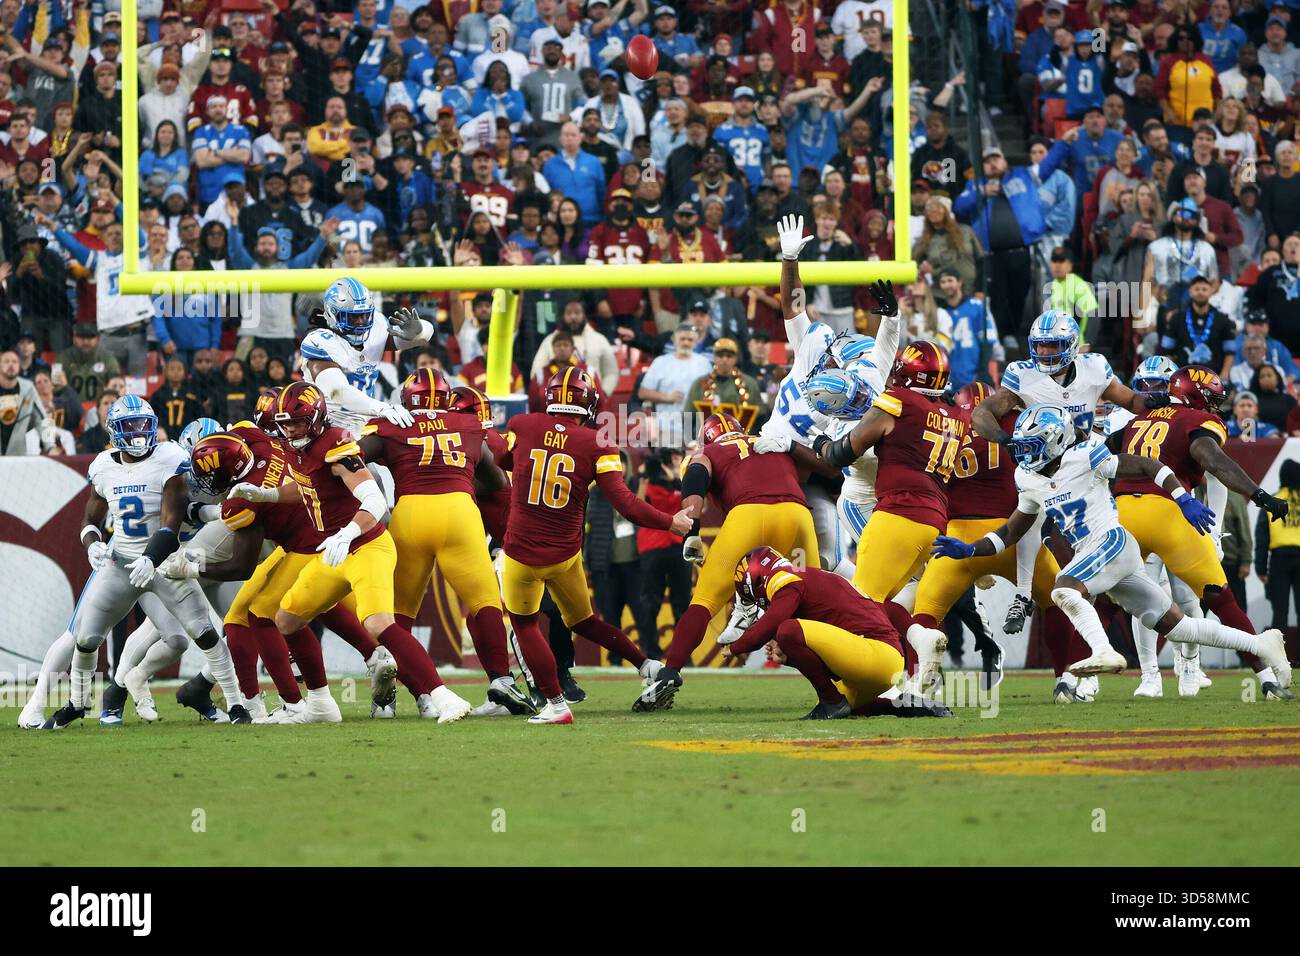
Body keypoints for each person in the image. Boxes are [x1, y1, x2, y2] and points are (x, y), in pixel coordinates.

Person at [932, 402, 1291, 692]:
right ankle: (1262, 645)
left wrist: (1182, 498)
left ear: (1055, 440)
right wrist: (970, 549)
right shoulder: (1027, 476)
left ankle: (1104, 651)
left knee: (1064, 588)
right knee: (1178, 627)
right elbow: (1011, 531)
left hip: (1111, 542)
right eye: (1022, 448)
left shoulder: (1085, 456)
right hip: (1100, 554)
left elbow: (1151, 465)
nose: (1025, 455)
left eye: (1032, 446)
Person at [227, 381, 474, 724]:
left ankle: (444, 697)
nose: (289, 429)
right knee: (287, 619)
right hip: (334, 552)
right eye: (285, 423)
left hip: (366, 545)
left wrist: (348, 532)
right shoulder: (298, 448)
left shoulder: (336, 446)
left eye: (296, 422)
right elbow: (306, 487)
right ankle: (319, 706)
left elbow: (372, 500)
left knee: (377, 624)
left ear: (315, 418)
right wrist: (267, 496)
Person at [41, 396, 249, 729]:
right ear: (114, 431)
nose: (138, 433)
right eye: (130, 426)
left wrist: (152, 558)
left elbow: (171, 522)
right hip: (121, 561)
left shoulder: (170, 458)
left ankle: (237, 705)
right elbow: (90, 518)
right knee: (86, 637)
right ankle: (78, 703)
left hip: (165, 560)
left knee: (204, 633)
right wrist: (91, 543)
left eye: (144, 425)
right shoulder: (103, 465)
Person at [501, 367, 686, 724]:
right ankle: (647, 665)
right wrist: (670, 521)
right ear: (588, 404)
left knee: (525, 626)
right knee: (584, 621)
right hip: (566, 554)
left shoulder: (522, 426)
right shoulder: (598, 443)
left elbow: (501, 462)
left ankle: (556, 704)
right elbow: (626, 503)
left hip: (522, 552)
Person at [357, 366, 532, 714]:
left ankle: (412, 696)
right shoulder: (467, 425)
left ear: (407, 400)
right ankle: (501, 679)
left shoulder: (391, 425)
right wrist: (456, 481)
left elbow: (349, 458)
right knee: (485, 602)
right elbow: (496, 481)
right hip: (459, 512)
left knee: (397, 616)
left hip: (410, 515)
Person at [636, 412, 821, 712]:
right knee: (815, 604)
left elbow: (695, 479)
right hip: (799, 515)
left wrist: (692, 533)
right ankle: (841, 682)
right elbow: (826, 473)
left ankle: (669, 674)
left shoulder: (709, 451)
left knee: (705, 601)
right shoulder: (767, 441)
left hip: (750, 514)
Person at [722, 546, 951, 720]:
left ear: (757, 580)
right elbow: (826, 652)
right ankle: (909, 705)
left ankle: (830, 702)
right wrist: (788, 657)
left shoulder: (788, 581)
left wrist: (736, 647)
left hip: (875, 653)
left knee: (787, 630)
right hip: (876, 660)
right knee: (855, 708)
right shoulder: (805, 575)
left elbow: (775, 623)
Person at [638, 323, 711, 447]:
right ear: (674, 339)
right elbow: (643, 392)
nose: (686, 343)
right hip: (667, 426)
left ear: (697, 341)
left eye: (690, 339)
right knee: (670, 463)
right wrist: (667, 397)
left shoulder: (704, 363)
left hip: (698, 428)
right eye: (682, 339)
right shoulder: (660, 362)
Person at [0, 349, 58, 456]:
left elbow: (42, 418)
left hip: (17, 456)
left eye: (14, 361)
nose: (11, 365)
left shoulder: (28, 388)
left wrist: (50, 446)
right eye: (6, 361)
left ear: (19, 366)